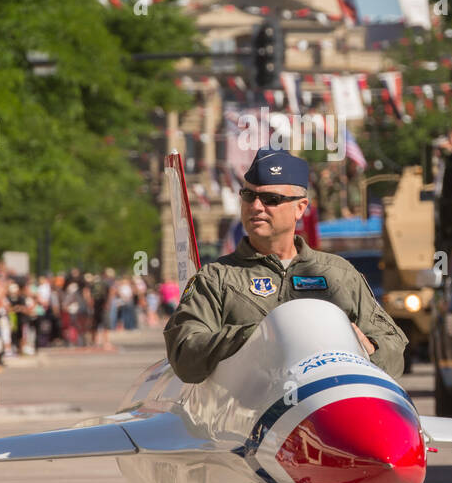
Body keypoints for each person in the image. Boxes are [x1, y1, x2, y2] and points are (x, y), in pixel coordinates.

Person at [164, 147, 407, 384]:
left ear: (300, 208)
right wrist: (260, 335)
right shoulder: (216, 279)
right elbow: (185, 355)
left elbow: (394, 350)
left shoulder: (340, 275)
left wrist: (370, 349)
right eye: (249, 196)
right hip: (249, 416)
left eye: (271, 199)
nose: (256, 206)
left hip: (322, 411)